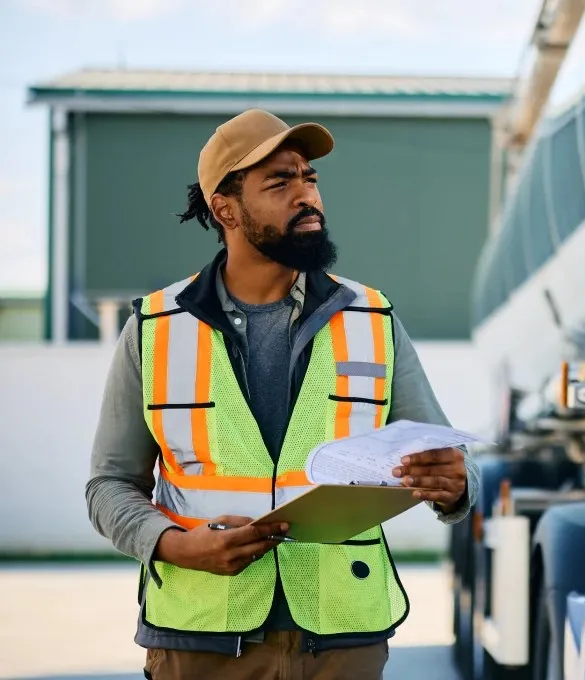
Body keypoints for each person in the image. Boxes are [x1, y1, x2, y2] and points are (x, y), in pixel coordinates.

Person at [85, 108, 481, 679]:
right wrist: (176, 545)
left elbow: (451, 460)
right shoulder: (155, 328)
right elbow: (109, 486)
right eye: (280, 182)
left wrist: (455, 483)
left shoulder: (373, 317)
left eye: (310, 179)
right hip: (201, 642)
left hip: (342, 641)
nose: (307, 196)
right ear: (225, 208)